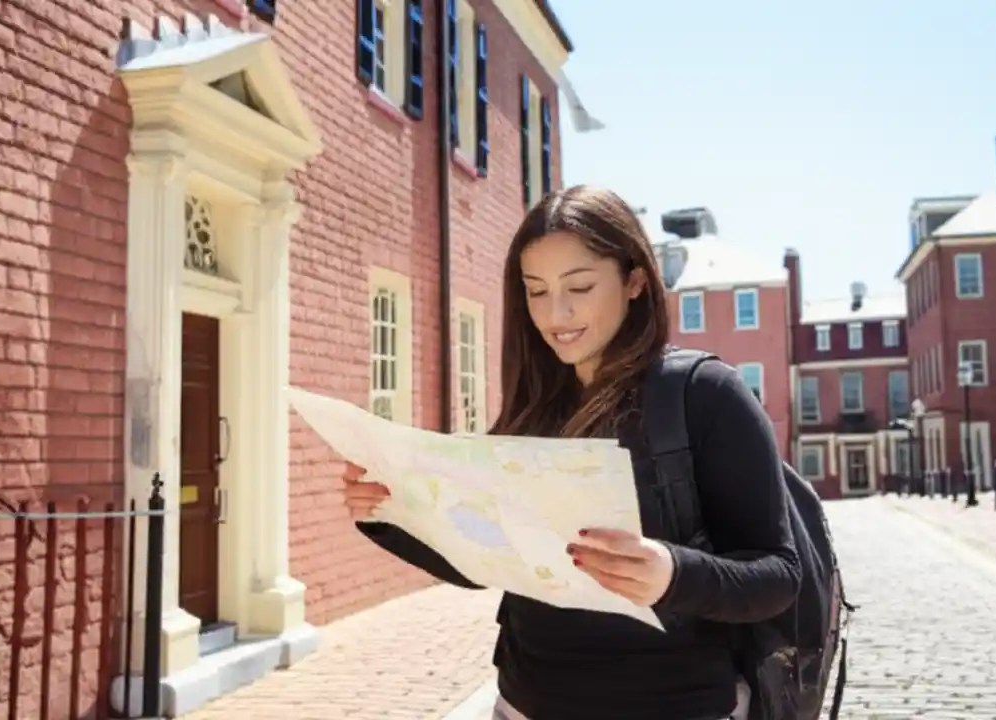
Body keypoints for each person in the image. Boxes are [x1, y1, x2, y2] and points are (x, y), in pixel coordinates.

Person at [342, 186, 800, 720]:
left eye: (579, 287)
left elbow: (777, 574)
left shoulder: (705, 394)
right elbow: (484, 564)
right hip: (523, 704)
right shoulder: (532, 410)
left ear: (634, 280)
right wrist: (388, 515)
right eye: (535, 291)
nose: (556, 314)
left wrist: (673, 572)